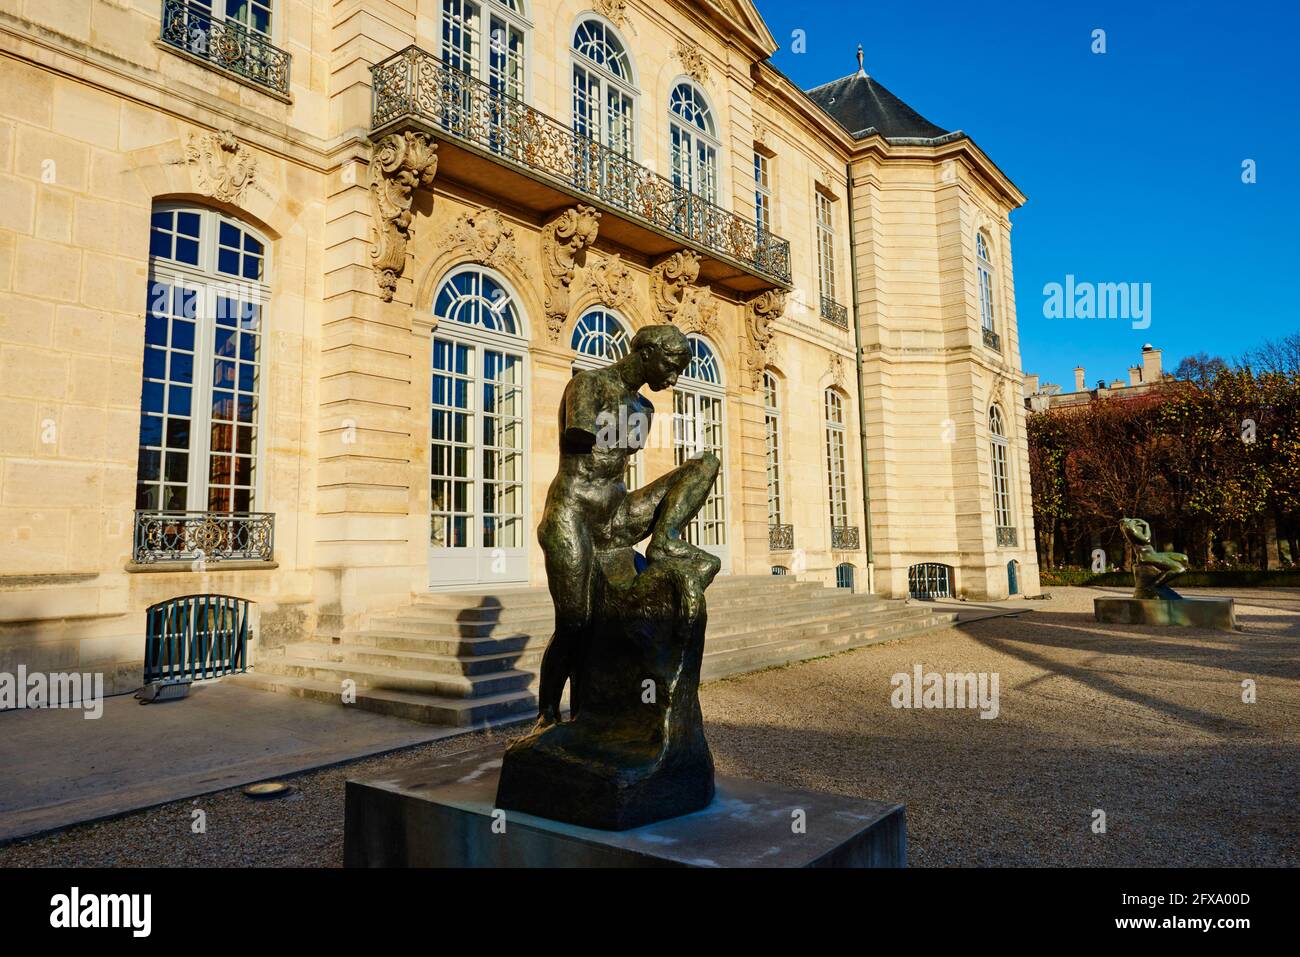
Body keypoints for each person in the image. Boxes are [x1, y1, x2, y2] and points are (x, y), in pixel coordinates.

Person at [535, 324, 721, 726]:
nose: (674, 379)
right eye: (672, 366)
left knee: (705, 464)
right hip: (574, 513)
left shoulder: (646, 409)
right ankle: (547, 713)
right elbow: (582, 439)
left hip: (617, 514)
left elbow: (620, 457)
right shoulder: (589, 385)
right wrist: (622, 411)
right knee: (575, 622)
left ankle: (665, 540)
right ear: (648, 352)